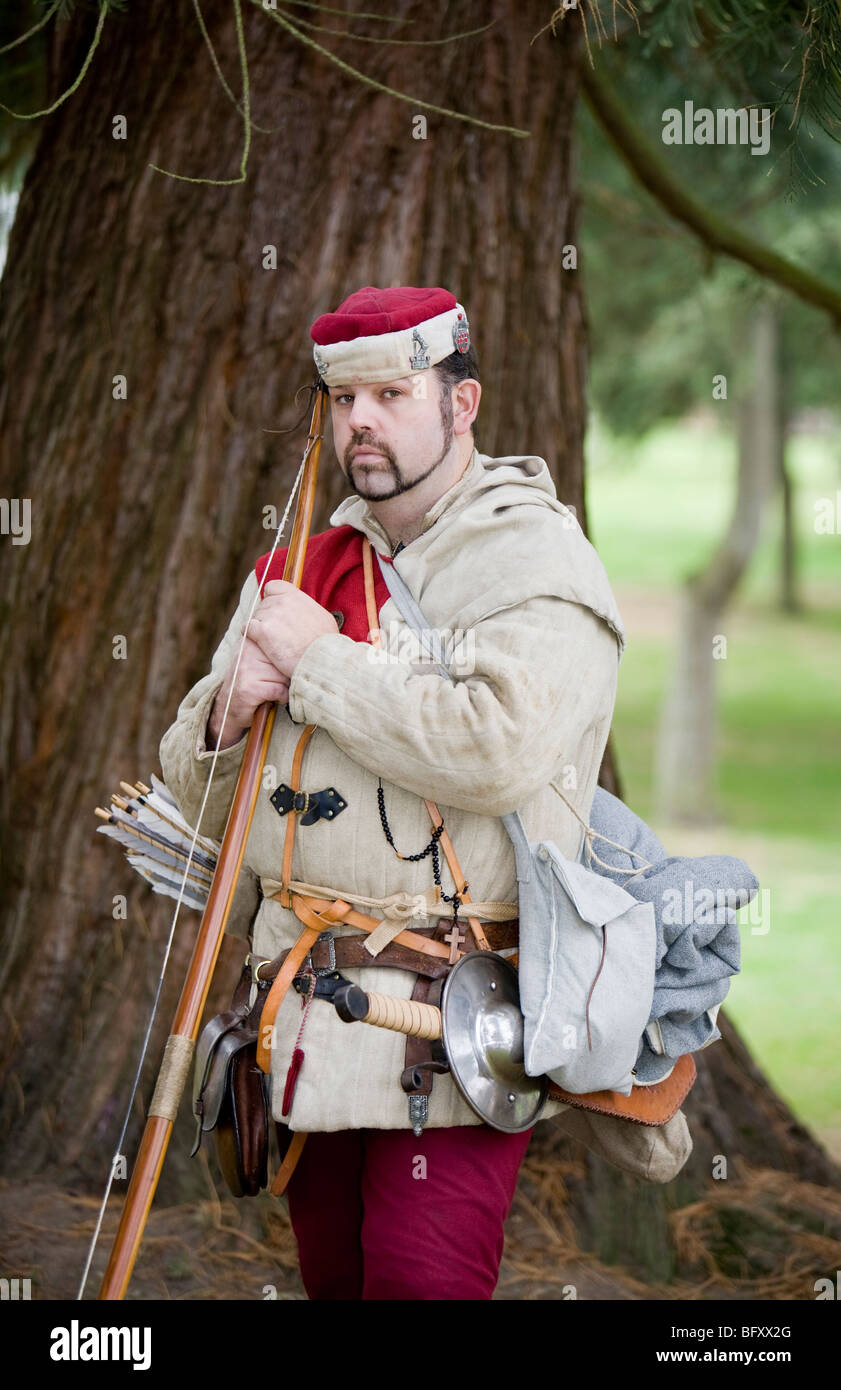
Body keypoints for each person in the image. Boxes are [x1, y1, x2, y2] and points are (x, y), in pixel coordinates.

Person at [159, 284, 690, 1302]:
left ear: (462, 403)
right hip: (308, 1014)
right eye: (345, 397)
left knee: (418, 1285)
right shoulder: (309, 561)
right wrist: (232, 708)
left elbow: (492, 750)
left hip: (456, 1024)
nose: (361, 419)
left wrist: (315, 666)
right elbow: (196, 790)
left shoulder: (535, 560)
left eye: (392, 392)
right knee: (336, 1283)